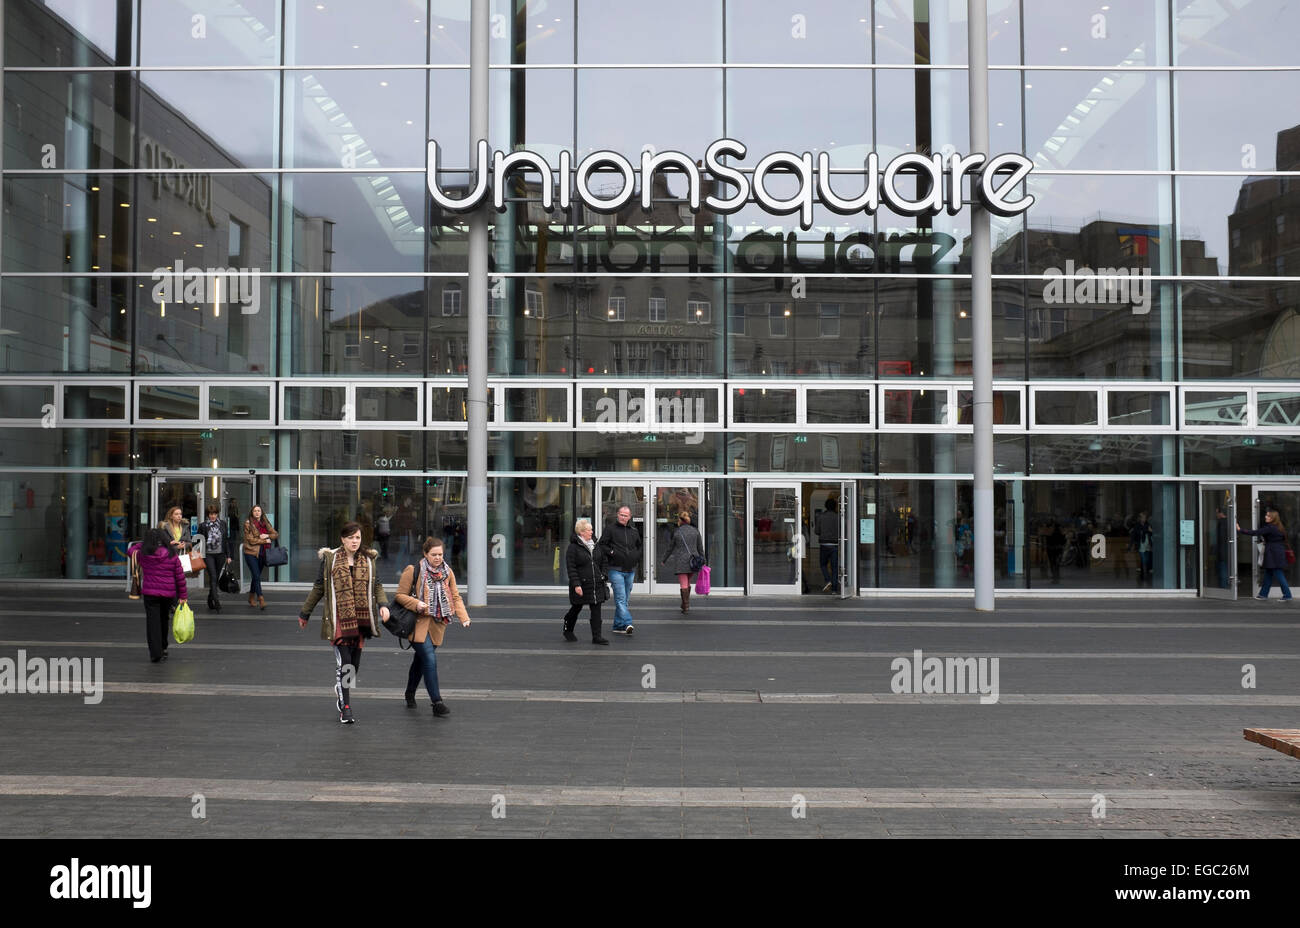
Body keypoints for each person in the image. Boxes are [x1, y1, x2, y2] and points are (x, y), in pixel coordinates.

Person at [297, 522, 390, 723]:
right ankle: (345, 706)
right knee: (346, 663)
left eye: (357, 538)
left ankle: (341, 687)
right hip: (339, 619)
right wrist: (305, 613)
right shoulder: (330, 559)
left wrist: (383, 604)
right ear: (342, 539)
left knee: (353, 665)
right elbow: (318, 588)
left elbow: (377, 585)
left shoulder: (368, 559)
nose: (355, 541)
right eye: (350, 538)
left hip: (362, 619)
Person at [394, 537, 470, 717]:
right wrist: (416, 604)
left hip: (437, 623)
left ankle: (410, 692)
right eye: (434, 554)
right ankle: (437, 702)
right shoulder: (414, 570)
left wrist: (463, 617)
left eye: (440, 554)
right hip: (417, 623)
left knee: (420, 661)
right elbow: (399, 596)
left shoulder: (447, 572)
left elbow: (456, 596)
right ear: (425, 554)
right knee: (429, 658)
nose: (437, 558)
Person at [128, 528, 187, 663]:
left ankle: (155, 652)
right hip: (168, 593)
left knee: (152, 622)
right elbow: (180, 577)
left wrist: (144, 543)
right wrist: (183, 595)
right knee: (164, 619)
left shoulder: (143, 554)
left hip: (150, 593)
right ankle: (164, 647)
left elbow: (130, 550)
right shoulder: (172, 554)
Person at [563, 518, 609, 645]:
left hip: (596, 584)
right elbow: (571, 568)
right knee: (576, 607)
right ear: (581, 532)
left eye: (592, 530)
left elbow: (604, 561)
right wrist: (576, 584)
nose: (592, 532)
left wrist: (604, 575)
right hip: (581, 584)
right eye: (589, 530)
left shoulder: (596, 545)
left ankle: (597, 637)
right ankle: (568, 628)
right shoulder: (573, 548)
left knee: (596, 610)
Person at [598, 504, 641, 635]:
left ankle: (618, 626)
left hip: (630, 570)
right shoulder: (610, 529)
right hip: (615, 569)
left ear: (629, 517)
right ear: (617, 515)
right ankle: (627, 622)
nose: (623, 517)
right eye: (621, 514)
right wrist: (612, 552)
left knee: (625, 599)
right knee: (621, 599)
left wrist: (636, 556)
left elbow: (639, 547)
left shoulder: (634, 531)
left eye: (625, 515)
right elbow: (602, 545)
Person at [1238, 510, 1293, 602]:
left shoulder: (1270, 528)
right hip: (1277, 552)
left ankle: (1287, 595)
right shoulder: (1279, 527)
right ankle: (1263, 594)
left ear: (1273, 518)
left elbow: (1255, 532)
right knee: (1269, 573)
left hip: (1273, 553)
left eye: (1268, 516)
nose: (1266, 517)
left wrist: (1240, 530)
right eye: (1266, 515)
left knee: (1278, 574)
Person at [660, 511, 704, 613]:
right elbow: (700, 548)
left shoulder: (677, 532)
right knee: (688, 582)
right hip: (694, 561)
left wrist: (664, 559)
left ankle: (686, 606)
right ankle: (685, 604)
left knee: (683, 583)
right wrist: (703, 560)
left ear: (680, 520)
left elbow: (670, 548)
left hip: (681, 561)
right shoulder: (695, 531)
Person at [242, 504, 278, 610]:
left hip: (263, 553)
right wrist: (264, 541)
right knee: (257, 576)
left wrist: (267, 535)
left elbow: (275, 534)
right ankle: (261, 598)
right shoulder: (248, 523)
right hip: (251, 553)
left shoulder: (265, 522)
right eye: (255, 511)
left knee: (255, 576)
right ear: (252, 513)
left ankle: (251, 597)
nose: (257, 512)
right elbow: (251, 540)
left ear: (261, 512)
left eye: (259, 511)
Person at [197, 503, 230, 611]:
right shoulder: (203, 526)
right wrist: (197, 555)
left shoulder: (223, 524)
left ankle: (210, 598)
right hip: (208, 555)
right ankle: (216, 600)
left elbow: (226, 540)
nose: (213, 516)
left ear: (217, 514)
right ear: (208, 514)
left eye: (215, 513)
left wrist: (229, 555)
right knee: (213, 576)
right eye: (211, 514)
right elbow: (198, 541)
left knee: (216, 577)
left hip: (220, 554)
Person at [816, 497, 842, 593]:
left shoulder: (821, 516)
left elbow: (817, 531)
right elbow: (842, 530)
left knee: (823, 564)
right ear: (835, 506)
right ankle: (834, 590)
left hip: (824, 544)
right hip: (835, 544)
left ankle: (828, 580)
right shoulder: (839, 517)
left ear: (825, 506)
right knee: (834, 567)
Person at [1130, 512, 1154, 583]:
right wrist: (1131, 546)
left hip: (1147, 544)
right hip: (1141, 545)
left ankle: (1143, 574)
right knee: (1143, 560)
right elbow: (1134, 534)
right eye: (1142, 517)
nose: (1144, 519)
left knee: (1146, 560)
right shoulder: (1137, 526)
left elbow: (1152, 532)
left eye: (1145, 517)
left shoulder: (1148, 525)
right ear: (1140, 518)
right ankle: (1144, 576)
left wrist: (1150, 531)